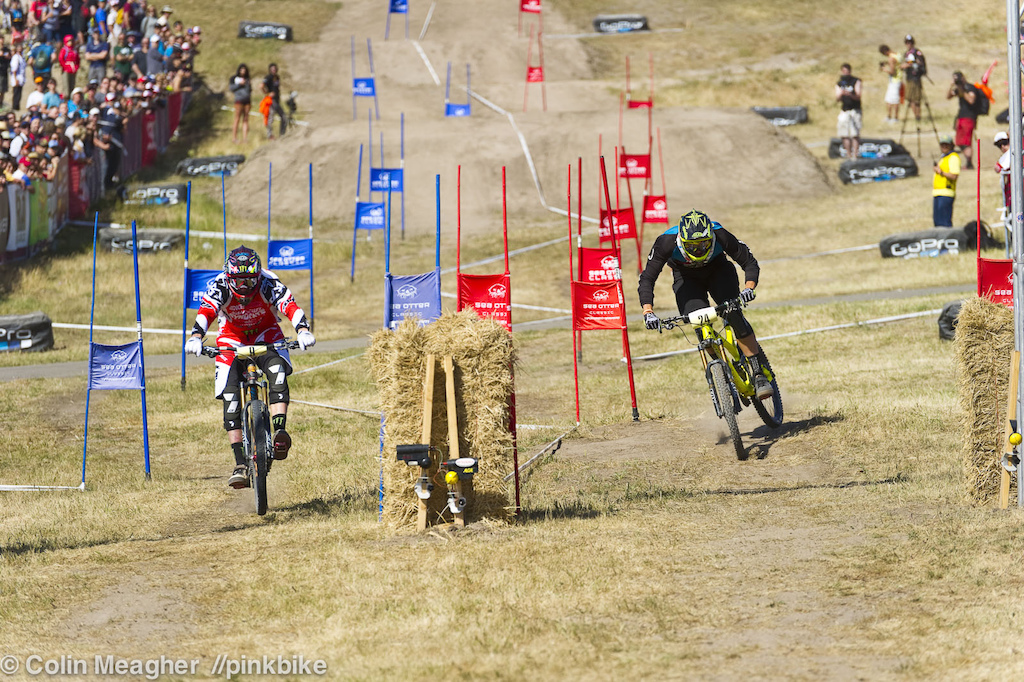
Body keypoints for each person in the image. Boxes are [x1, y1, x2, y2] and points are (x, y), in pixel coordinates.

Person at [184, 246, 316, 488]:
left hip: (266, 335)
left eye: (249, 280)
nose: (244, 287)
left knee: (277, 372)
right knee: (231, 395)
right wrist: (195, 336)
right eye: (239, 280)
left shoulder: (268, 282)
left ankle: (279, 432)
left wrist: (303, 330)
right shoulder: (220, 285)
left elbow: (289, 305)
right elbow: (207, 310)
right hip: (231, 340)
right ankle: (239, 463)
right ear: (229, 276)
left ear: (257, 275)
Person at [638, 210, 772, 400]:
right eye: (692, 246)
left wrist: (748, 288)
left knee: (733, 313)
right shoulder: (665, 242)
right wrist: (648, 311)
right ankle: (722, 376)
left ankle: (759, 373)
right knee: (699, 324)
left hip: (719, 271)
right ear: (681, 241)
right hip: (686, 278)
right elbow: (647, 279)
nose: (699, 250)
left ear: (711, 237)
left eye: (704, 244)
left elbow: (749, 261)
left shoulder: (719, 234)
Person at [947, 70, 978, 170]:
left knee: (966, 141)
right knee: (959, 141)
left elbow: (971, 100)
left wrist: (962, 91)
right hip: (961, 117)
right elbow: (948, 97)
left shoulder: (969, 87)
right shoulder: (958, 88)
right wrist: (951, 86)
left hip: (969, 117)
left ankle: (969, 163)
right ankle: (968, 162)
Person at [835, 63, 862, 159]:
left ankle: (855, 155)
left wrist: (850, 94)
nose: (845, 73)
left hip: (855, 109)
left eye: (847, 71)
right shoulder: (840, 83)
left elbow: (858, 96)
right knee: (844, 133)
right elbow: (837, 98)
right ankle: (848, 155)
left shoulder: (856, 81)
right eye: (844, 71)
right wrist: (841, 94)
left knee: (855, 133)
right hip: (845, 110)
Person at [933, 134, 960, 227]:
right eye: (942, 145)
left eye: (946, 145)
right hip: (938, 193)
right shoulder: (944, 157)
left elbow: (954, 175)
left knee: (944, 222)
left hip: (946, 193)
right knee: (937, 222)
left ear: (951, 145)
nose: (944, 147)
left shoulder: (953, 157)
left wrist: (941, 172)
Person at [900, 34, 926, 122]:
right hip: (909, 78)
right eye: (907, 43)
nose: (908, 44)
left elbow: (920, 63)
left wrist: (908, 65)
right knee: (910, 98)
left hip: (915, 78)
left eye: (910, 43)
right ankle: (916, 115)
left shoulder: (917, 52)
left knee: (917, 98)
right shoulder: (906, 54)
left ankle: (918, 116)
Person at [261, 62, 286, 139]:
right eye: (272, 69)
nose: (274, 70)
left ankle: (282, 134)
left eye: (275, 69)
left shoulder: (277, 77)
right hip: (271, 101)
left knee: (284, 117)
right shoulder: (268, 77)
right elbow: (261, 86)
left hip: (277, 100)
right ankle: (270, 135)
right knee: (270, 118)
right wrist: (267, 93)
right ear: (270, 70)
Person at [994, 131, 1011, 234]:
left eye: (1005, 143)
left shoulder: (1013, 152)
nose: (1003, 147)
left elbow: (998, 167)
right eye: (1000, 145)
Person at [878, 44, 901, 123]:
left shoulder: (891, 58)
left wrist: (884, 69)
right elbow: (897, 64)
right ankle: (890, 117)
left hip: (894, 81)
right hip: (898, 80)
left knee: (894, 100)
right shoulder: (897, 54)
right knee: (889, 99)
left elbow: (892, 71)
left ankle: (895, 118)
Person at [230, 63, 251, 144]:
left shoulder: (247, 79)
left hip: (247, 101)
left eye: (244, 70)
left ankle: (245, 138)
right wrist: (239, 84)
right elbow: (231, 88)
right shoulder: (234, 78)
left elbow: (249, 90)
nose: (243, 71)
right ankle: (234, 138)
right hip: (239, 101)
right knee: (237, 119)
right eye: (241, 69)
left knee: (245, 119)